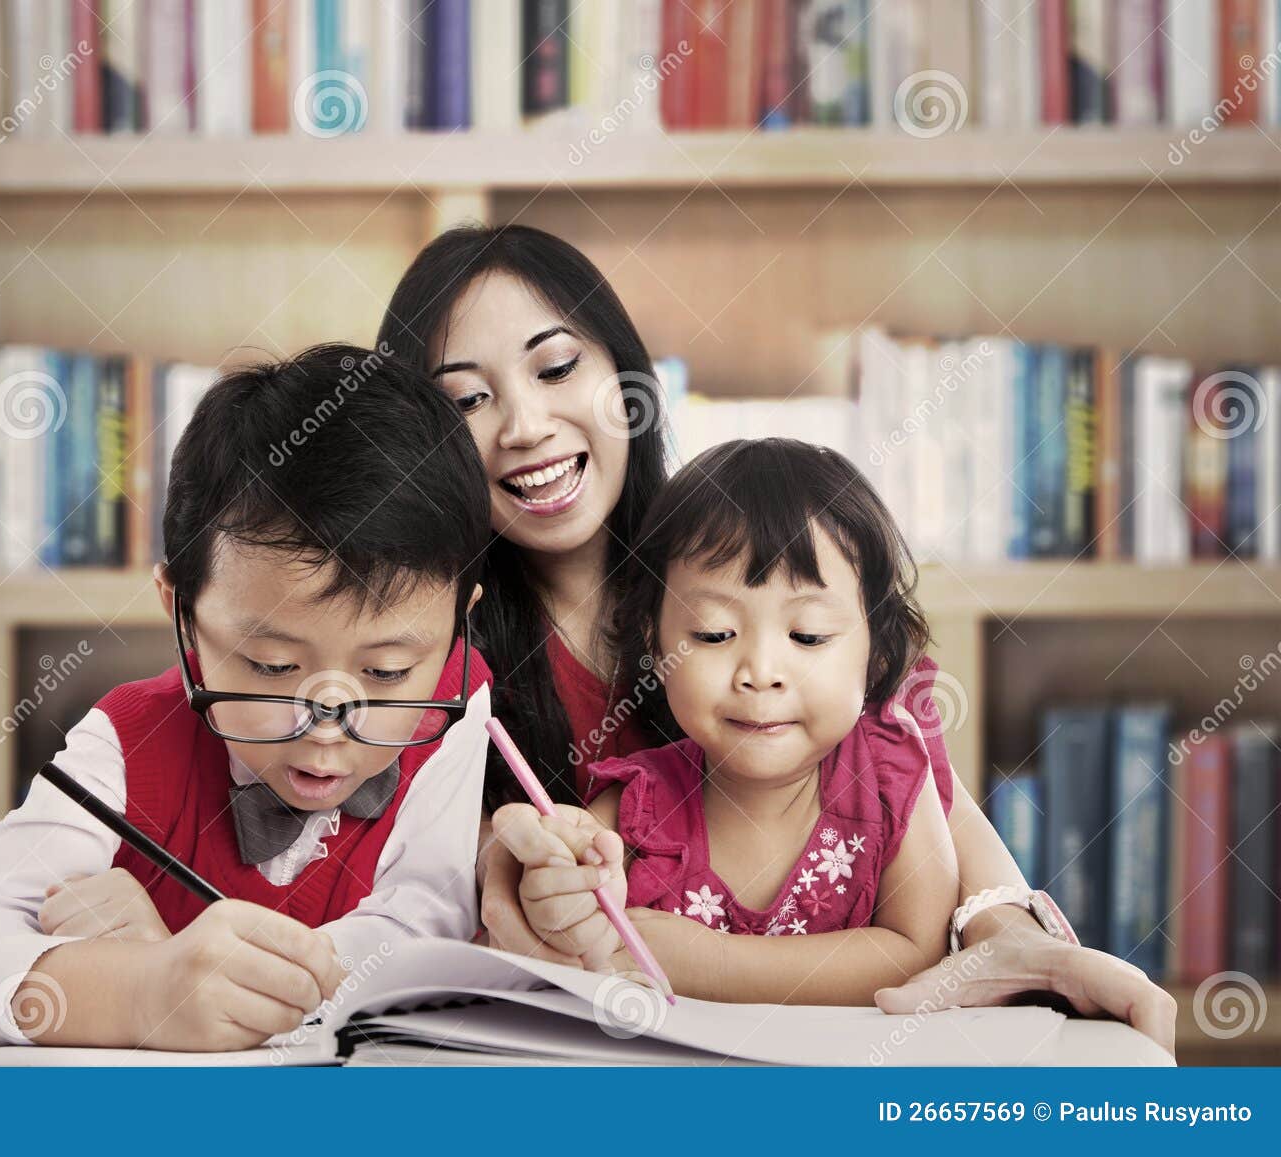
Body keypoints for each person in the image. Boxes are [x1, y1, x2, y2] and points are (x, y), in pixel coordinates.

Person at [376, 224, 1177, 1052]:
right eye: (468, 399)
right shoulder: (427, 650)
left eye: (555, 367)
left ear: (624, 374)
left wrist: (1007, 930)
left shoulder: (757, 545)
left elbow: (916, 787)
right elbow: (419, 862)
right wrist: (498, 869)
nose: (525, 424)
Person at [0, 344, 494, 1052]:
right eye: (272, 664)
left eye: (388, 671)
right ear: (180, 612)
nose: (330, 724)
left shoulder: (454, 705)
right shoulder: (127, 740)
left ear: (457, 623)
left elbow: (426, 933)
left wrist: (174, 955)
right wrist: (140, 990)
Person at [495, 439, 959, 1004]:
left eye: (808, 636)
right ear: (653, 640)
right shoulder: (634, 810)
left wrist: (717, 964)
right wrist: (556, 901)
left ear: (879, 651)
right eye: (714, 634)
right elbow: (571, 934)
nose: (760, 673)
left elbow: (918, 953)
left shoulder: (891, 774)